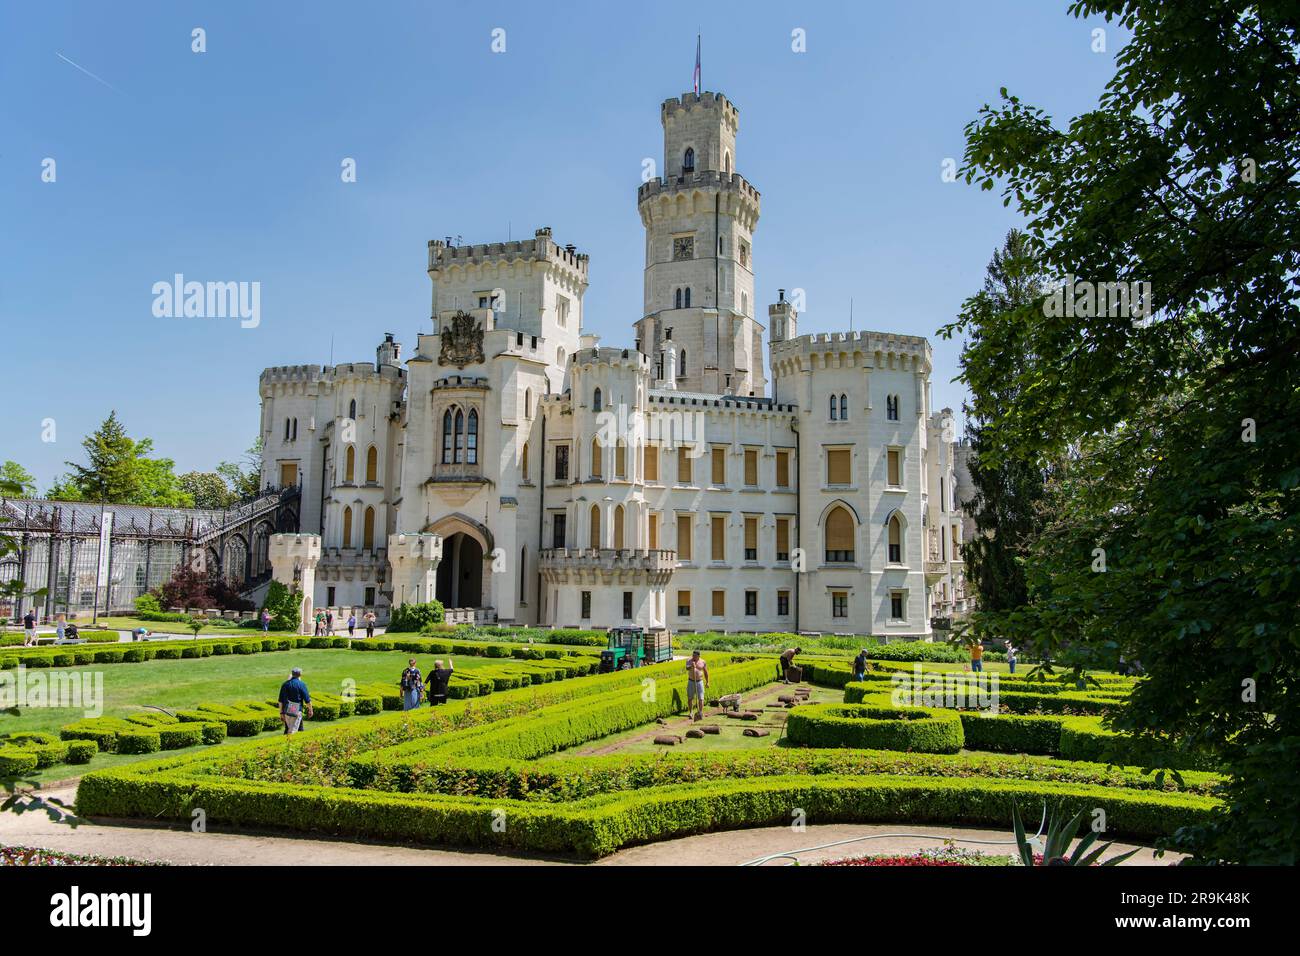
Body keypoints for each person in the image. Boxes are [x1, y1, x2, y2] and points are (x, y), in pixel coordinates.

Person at [278, 667, 313, 735]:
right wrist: (310, 710)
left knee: (294, 729)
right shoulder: (301, 684)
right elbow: (307, 700)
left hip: (286, 710)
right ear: (300, 675)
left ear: (292, 674)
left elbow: (280, 701)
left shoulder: (285, 684)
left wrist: (281, 713)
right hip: (296, 710)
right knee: (292, 732)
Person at [685, 651, 709, 721]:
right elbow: (687, 668)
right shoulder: (689, 660)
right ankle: (691, 712)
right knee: (690, 698)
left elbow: (705, 672)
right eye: (693, 655)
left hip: (699, 682)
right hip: (691, 681)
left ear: (699, 656)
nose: (693, 657)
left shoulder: (703, 662)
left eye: (695, 656)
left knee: (701, 698)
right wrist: (691, 666)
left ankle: (700, 712)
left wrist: (707, 682)